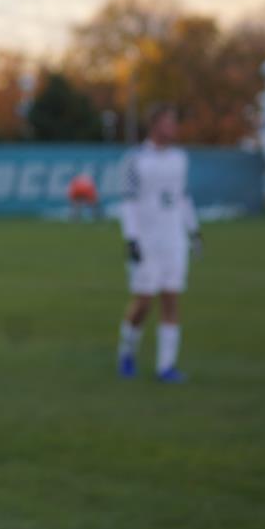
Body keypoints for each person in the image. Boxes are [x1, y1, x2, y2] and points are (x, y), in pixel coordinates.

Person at [116, 105, 201, 383]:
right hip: (146, 240)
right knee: (143, 302)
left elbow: (183, 197)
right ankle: (127, 352)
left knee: (171, 299)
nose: (173, 128)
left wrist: (193, 231)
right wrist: (132, 239)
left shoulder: (180, 158)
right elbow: (128, 202)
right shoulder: (134, 160)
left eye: (174, 122)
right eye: (168, 123)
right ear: (154, 125)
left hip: (173, 239)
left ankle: (166, 366)